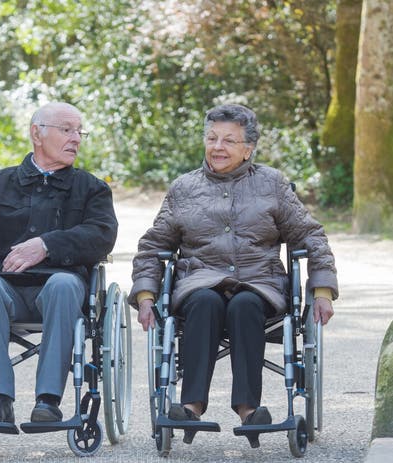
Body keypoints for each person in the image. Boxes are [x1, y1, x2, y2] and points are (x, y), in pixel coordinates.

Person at [130, 103, 338, 435]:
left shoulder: (272, 184)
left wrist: (322, 291)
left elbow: (309, 234)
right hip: (199, 283)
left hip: (259, 283)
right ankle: (190, 406)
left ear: (248, 149)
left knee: (244, 305)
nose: (217, 147)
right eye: (211, 138)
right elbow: (153, 246)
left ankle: (248, 409)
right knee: (204, 302)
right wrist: (145, 295)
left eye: (229, 140)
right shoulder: (184, 188)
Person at [0, 102, 118, 424]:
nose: (76, 139)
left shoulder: (91, 188)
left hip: (60, 288)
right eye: (67, 130)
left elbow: (101, 235)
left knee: (65, 284)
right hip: (7, 289)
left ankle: (48, 401)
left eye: (79, 131)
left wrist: (47, 245)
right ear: (36, 134)